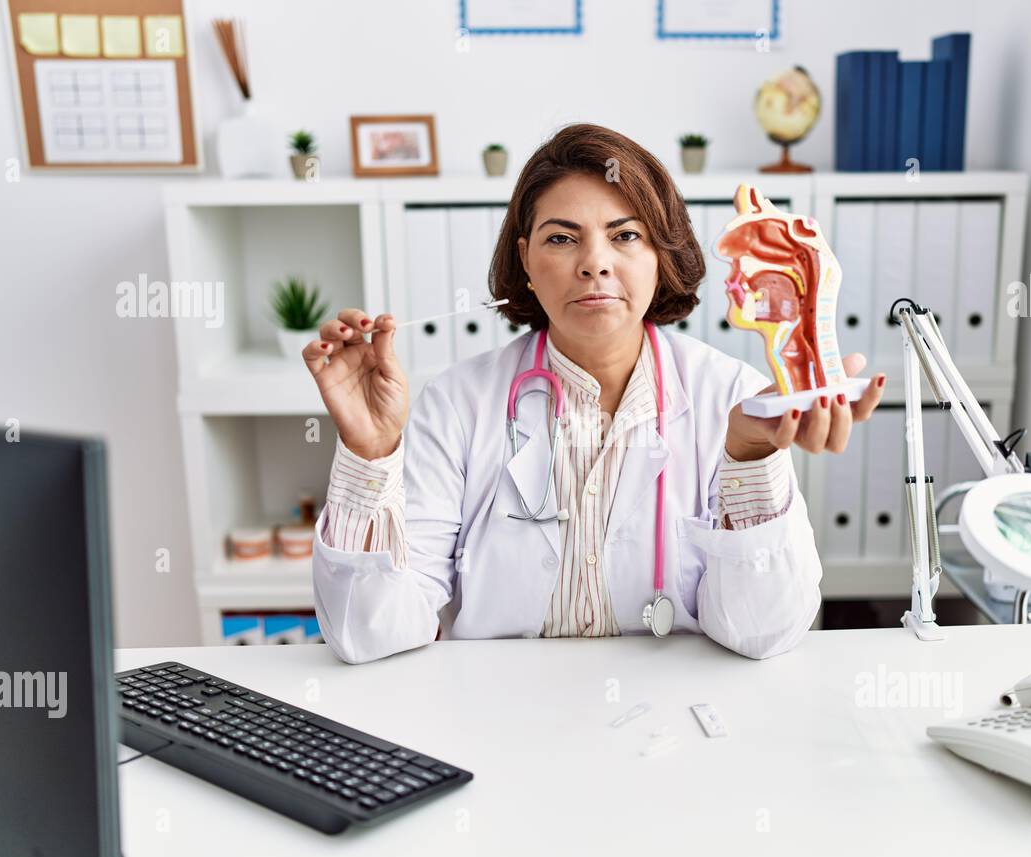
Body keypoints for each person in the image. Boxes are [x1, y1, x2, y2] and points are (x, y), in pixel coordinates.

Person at [303, 123, 884, 663]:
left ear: (661, 255)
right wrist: (369, 456)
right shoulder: (458, 403)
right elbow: (368, 634)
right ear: (526, 259)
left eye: (625, 235)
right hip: (497, 722)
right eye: (562, 239)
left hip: (673, 724)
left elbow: (764, 634)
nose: (595, 265)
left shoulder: (731, 397)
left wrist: (750, 460)